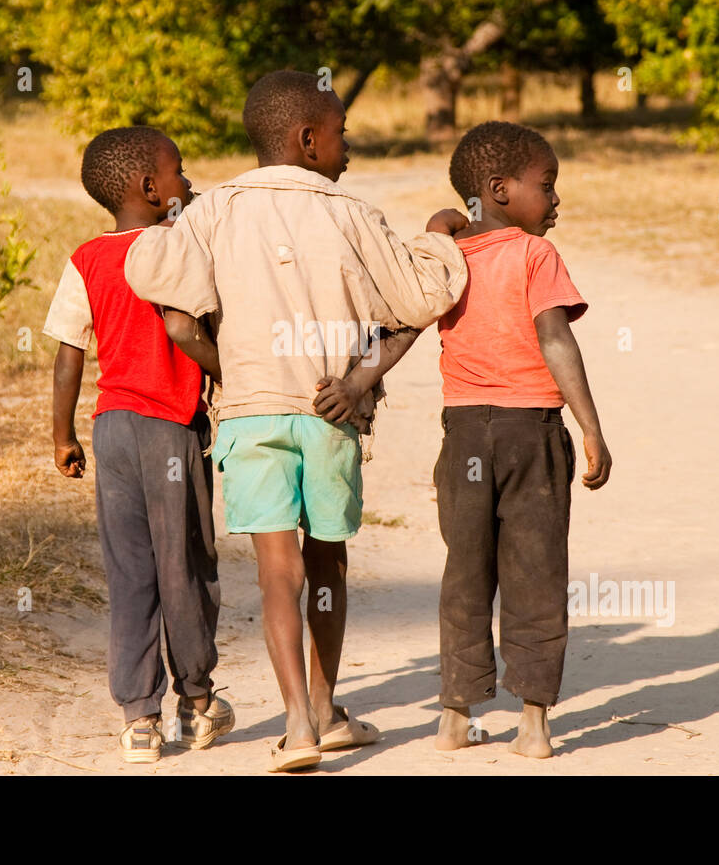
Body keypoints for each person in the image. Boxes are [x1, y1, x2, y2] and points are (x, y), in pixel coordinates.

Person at [123, 70, 467, 771]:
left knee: (276, 569)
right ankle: (329, 705)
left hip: (251, 415)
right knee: (328, 560)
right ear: (308, 141)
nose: (349, 148)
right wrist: (435, 239)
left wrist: (229, 366)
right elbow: (422, 298)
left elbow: (161, 288)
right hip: (327, 411)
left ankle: (300, 727)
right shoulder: (353, 214)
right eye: (341, 134)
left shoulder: (215, 212)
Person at [43, 126, 232, 764]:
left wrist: (62, 433)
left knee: (130, 572)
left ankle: (138, 718)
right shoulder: (177, 247)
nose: (187, 178)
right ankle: (199, 701)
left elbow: (70, 353)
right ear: (151, 188)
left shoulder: (85, 257)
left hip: (111, 426)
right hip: (170, 431)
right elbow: (199, 327)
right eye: (178, 170)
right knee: (184, 566)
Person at [431, 121, 613, 758]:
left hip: (463, 436)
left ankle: (456, 714)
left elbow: (402, 319)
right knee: (536, 574)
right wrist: (590, 426)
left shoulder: (445, 257)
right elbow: (556, 338)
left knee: (465, 570)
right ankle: (532, 723)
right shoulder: (535, 255)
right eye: (548, 184)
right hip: (531, 431)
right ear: (499, 189)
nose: (557, 198)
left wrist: (437, 230)